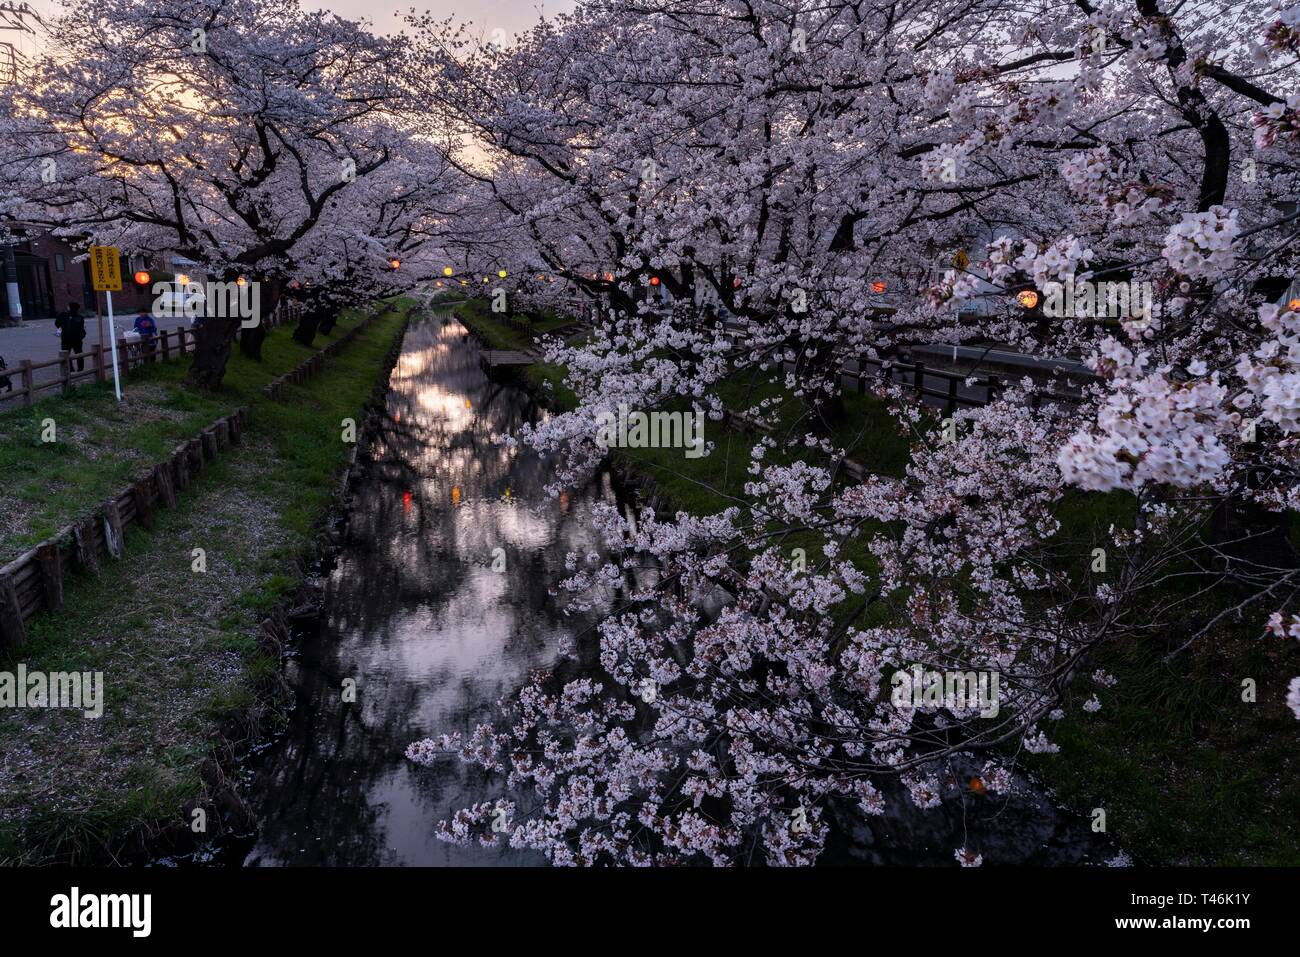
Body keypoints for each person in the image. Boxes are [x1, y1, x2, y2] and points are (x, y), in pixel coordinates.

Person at [55, 302, 88, 372]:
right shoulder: (80, 317)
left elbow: (57, 323)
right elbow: (81, 328)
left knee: (66, 355)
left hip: (66, 339)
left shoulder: (63, 315)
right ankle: (80, 369)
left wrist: (63, 327)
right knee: (79, 354)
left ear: (69, 307)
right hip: (77, 339)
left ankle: (70, 369)